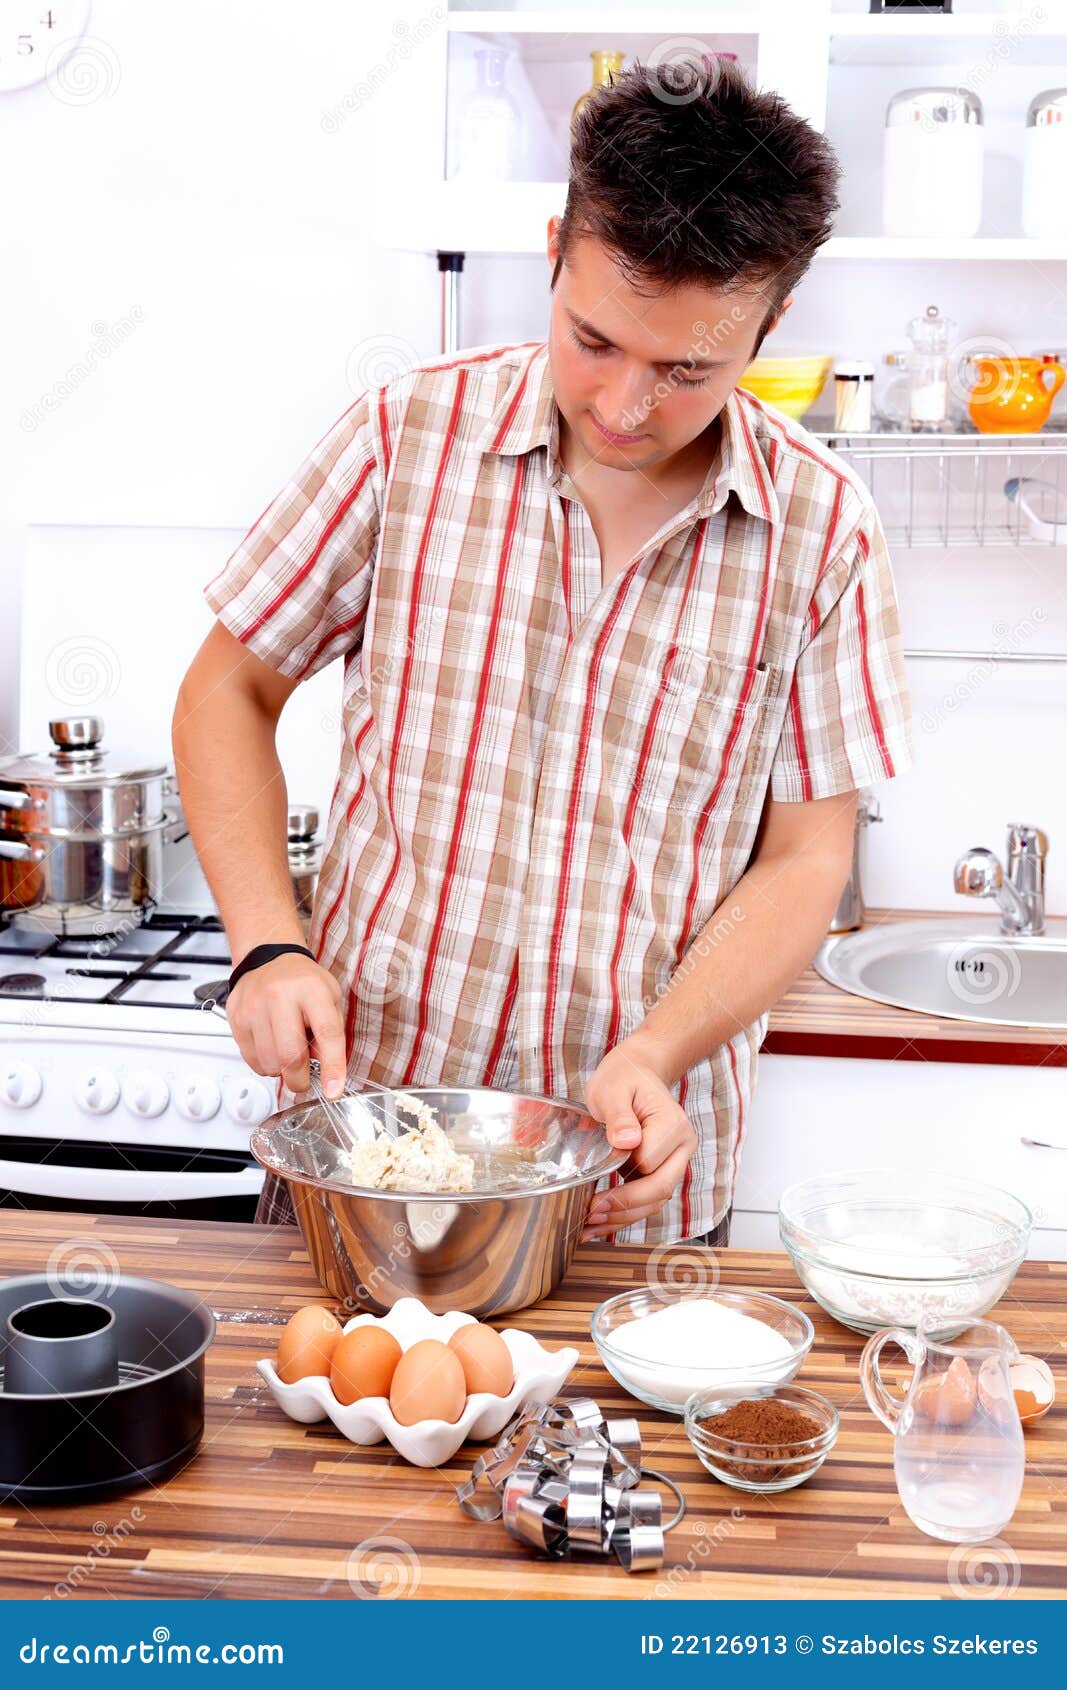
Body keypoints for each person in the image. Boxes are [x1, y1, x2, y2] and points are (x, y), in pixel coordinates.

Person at [173, 58, 913, 1247]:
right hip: (369, 1160)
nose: (623, 406)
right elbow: (227, 689)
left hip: (628, 1193)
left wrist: (657, 1050)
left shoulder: (822, 532)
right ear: (555, 248)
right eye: (593, 340)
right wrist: (266, 943)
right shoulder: (403, 439)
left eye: (685, 370)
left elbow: (803, 856)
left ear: (770, 325)